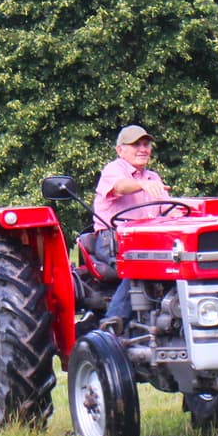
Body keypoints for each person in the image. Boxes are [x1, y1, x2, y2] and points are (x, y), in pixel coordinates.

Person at [94, 125, 171, 334]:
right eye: (136, 144)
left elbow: (169, 210)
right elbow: (120, 187)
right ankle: (111, 325)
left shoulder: (153, 177)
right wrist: (141, 186)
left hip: (149, 242)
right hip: (112, 240)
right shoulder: (113, 170)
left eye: (146, 144)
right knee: (140, 265)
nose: (143, 149)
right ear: (120, 150)